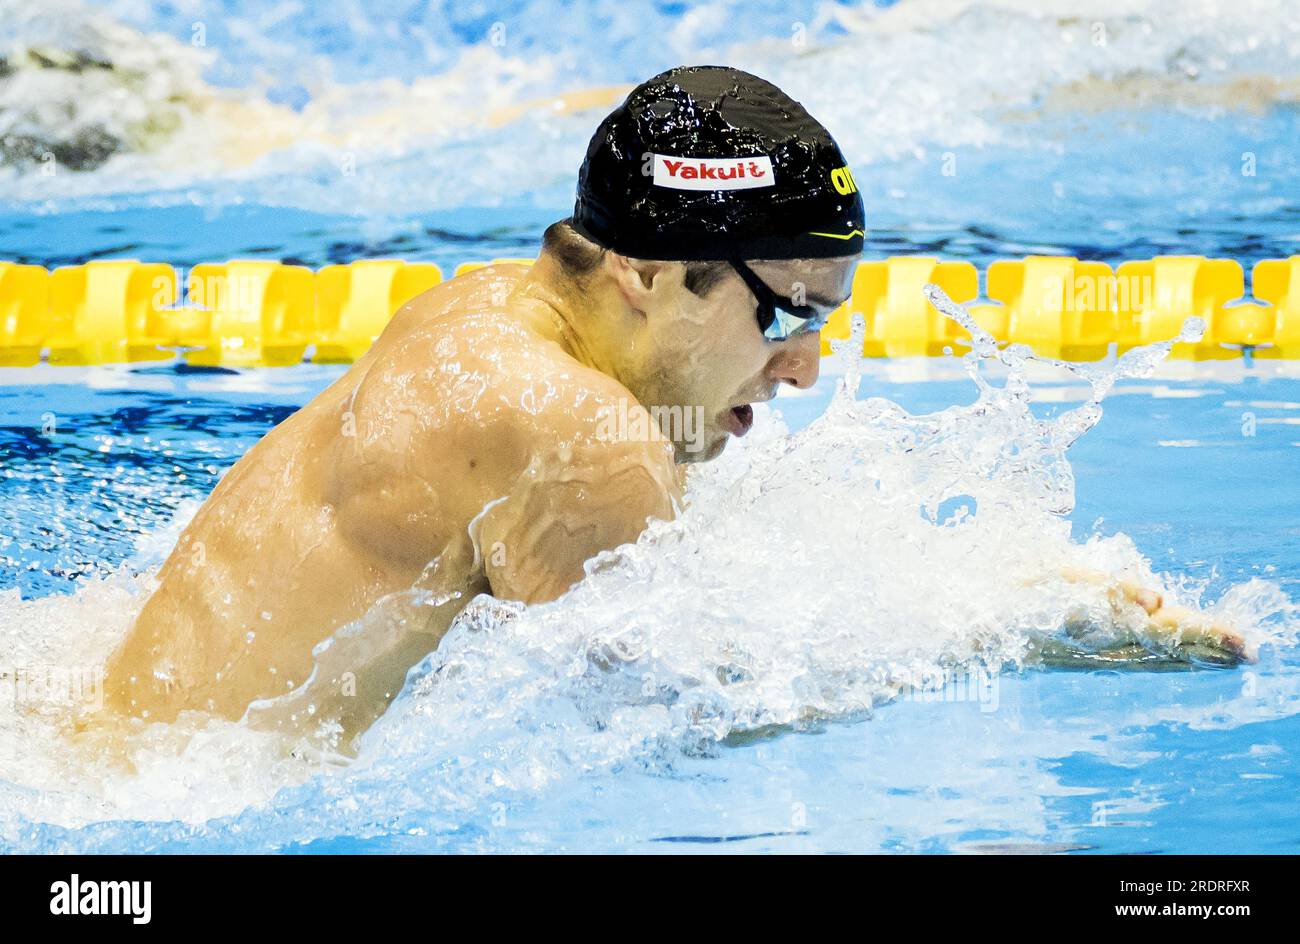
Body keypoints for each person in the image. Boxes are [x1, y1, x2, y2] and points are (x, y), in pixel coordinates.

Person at [99, 65, 1246, 743]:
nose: (801, 366)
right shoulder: (576, 429)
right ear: (645, 275)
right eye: (785, 313)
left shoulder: (496, 308)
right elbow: (687, 713)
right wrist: (1024, 628)